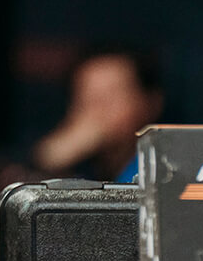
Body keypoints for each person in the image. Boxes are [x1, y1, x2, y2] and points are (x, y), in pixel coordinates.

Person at [31, 44, 163, 183]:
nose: (97, 111)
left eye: (111, 96)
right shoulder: (79, 170)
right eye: (86, 97)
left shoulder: (161, 173)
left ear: (151, 102)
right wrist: (50, 159)